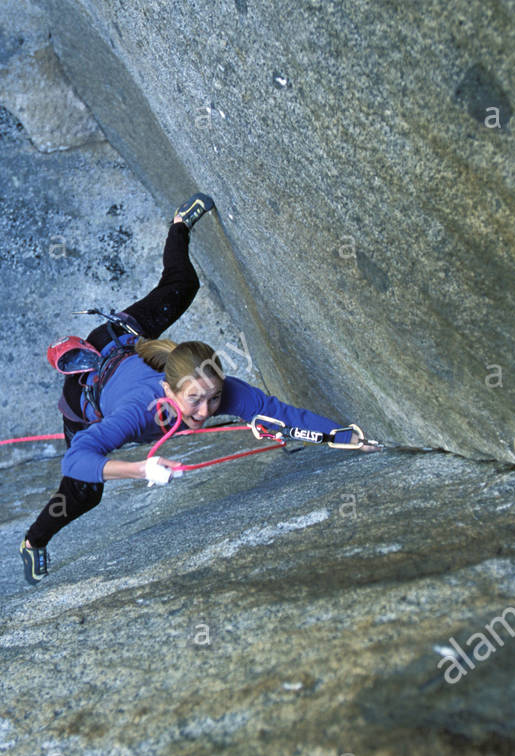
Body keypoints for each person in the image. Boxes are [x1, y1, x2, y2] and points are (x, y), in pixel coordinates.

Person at [21, 196, 369, 584]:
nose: (205, 412)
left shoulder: (218, 390)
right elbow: (76, 460)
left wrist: (340, 435)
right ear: (169, 389)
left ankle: (179, 225)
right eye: (195, 401)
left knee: (182, 285)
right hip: (91, 382)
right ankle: (34, 542)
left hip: (127, 344)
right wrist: (140, 469)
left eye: (214, 398)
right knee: (84, 491)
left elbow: (279, 414)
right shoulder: (140, 410)